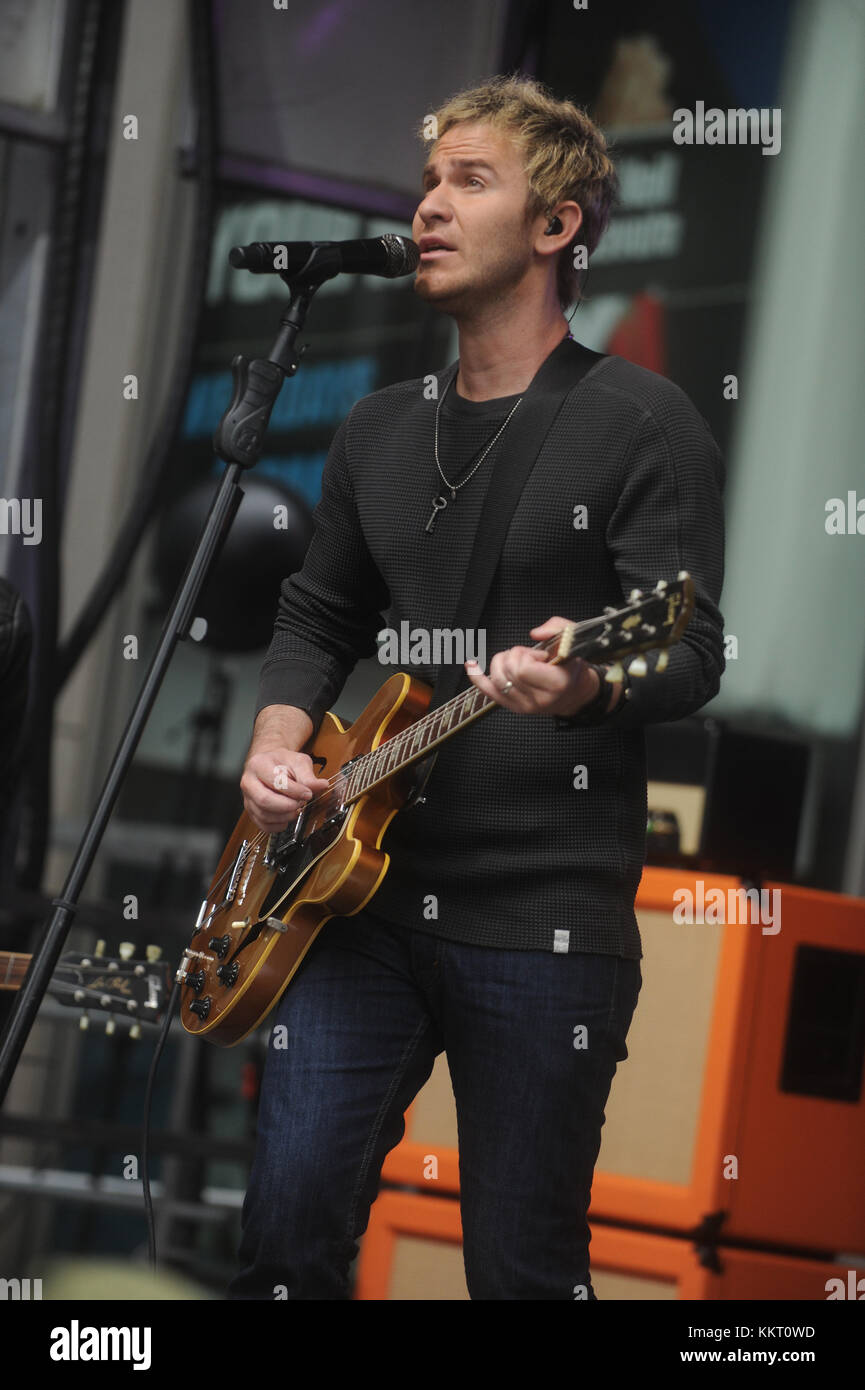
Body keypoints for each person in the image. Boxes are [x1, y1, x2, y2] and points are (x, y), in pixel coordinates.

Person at [228, 74, 724, 1300]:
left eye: (470, 180)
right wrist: (279, 745)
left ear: (556, 227)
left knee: (519, 1268)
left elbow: (690, 648)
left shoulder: (641, 422)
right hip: (354, 903)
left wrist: (585, 693)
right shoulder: (378, 428)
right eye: (429, 180)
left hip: (541, 919)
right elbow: (317, 613)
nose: (428, 206)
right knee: (286, 1232)